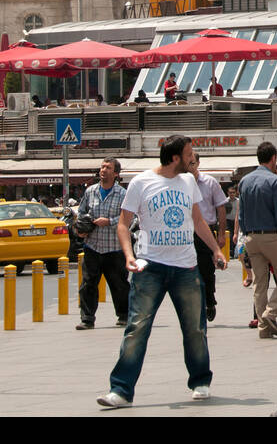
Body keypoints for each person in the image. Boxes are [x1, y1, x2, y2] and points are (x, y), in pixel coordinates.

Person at [96, 135, 225, 407]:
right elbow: (123, 224)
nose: (194, 158)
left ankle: (200, 380)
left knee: (195, 328)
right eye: (190, 153)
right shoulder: (141, 183)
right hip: (150, 266)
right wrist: (129, 255)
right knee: (136, 328)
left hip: (186, 266)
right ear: (176, 157)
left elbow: (198, 220)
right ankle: (120, 390)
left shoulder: (189, 181)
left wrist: (215, 249)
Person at [238, 141, 277, 338]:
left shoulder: (244, 181)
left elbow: (241, 214)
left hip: (251, 237)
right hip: (272, 235)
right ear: (274, 158)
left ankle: (263, 328)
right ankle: (270, 314)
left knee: (259, 283)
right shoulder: (275, 181)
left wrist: (245, 234)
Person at [75, 158, 130, 330]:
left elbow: (130, 217)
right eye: (102, 167)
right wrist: (82, 226)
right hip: (93, 246)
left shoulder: (122, 194)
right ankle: (87, 319)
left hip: (114, 247)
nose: (103, 170)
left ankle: (124, 316)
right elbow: (82, 212)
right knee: (88, 284)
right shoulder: (91, 191)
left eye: (108, 168)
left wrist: (110, 221)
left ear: (116, 174)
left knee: (119, 284)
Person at [188, 156, 228, 322]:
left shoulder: (210, 182)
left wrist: (221, 233)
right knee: (188, 270)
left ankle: (210, 301)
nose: (190, 166)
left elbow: (221, 208)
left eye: (192, 163)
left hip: (205, 231)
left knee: (206, 270)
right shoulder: (180, 182)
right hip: (186, 232)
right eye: (187, 163)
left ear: (198, 163)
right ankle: (193, 305)